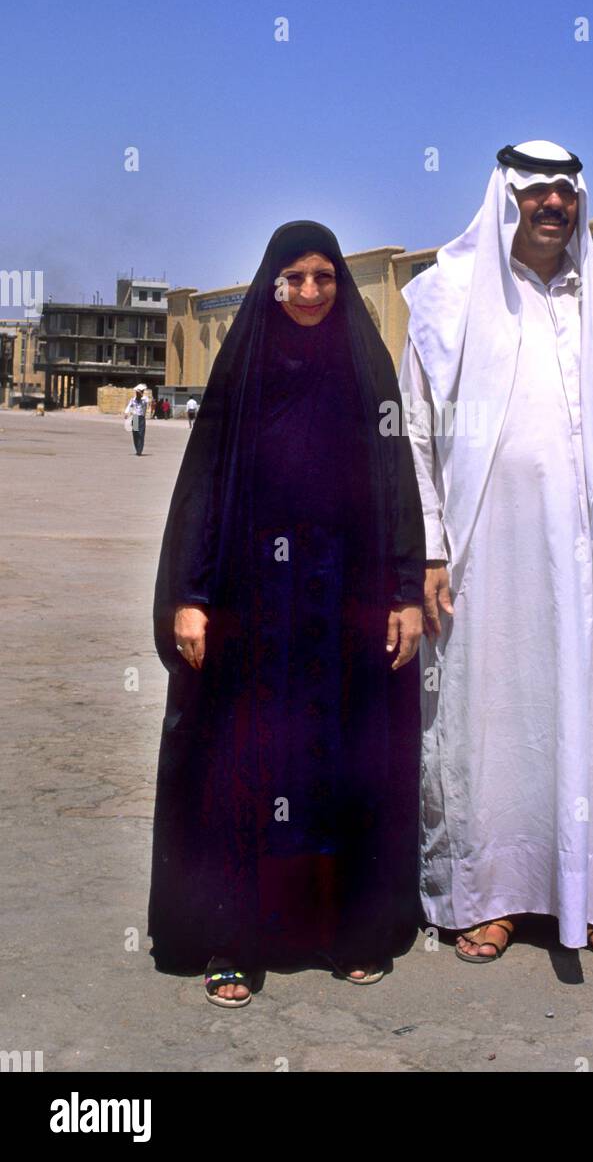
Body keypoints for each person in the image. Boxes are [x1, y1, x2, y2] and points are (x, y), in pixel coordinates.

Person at [398, 140, 593, 967]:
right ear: (507, 197)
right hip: (489, 557)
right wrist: (430, 547)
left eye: (566, 192)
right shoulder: (449, 303)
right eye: (537, 191)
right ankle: (489, 895)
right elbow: (415, 433)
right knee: (491, 719)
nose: (554, 204)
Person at [149, 221, 426, 1005]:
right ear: (272, 285)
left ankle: (343, 932)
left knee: (337, 766)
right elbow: (203, 489)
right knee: (245, 767)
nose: (308, 292)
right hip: (251, 609)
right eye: (293, 278)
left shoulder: (366, 375)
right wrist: (192, 598)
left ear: (340, 286)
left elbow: (399, 488)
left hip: (341, 607)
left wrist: (406, 592)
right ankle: (233, 940)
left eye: (323, 278)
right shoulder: (244, 375)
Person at [124, 384, 149, 455]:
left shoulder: (145, 399)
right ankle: (137, 449)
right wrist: (126, 413)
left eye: (139, 392)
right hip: (135, 418)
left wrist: (141, 393)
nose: (137, 394)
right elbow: (129, 406)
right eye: (136, 393)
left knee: (141, 434)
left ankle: (139, 451)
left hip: (141, 418)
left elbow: (147, 401)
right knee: (135, 434)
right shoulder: (133, 400)